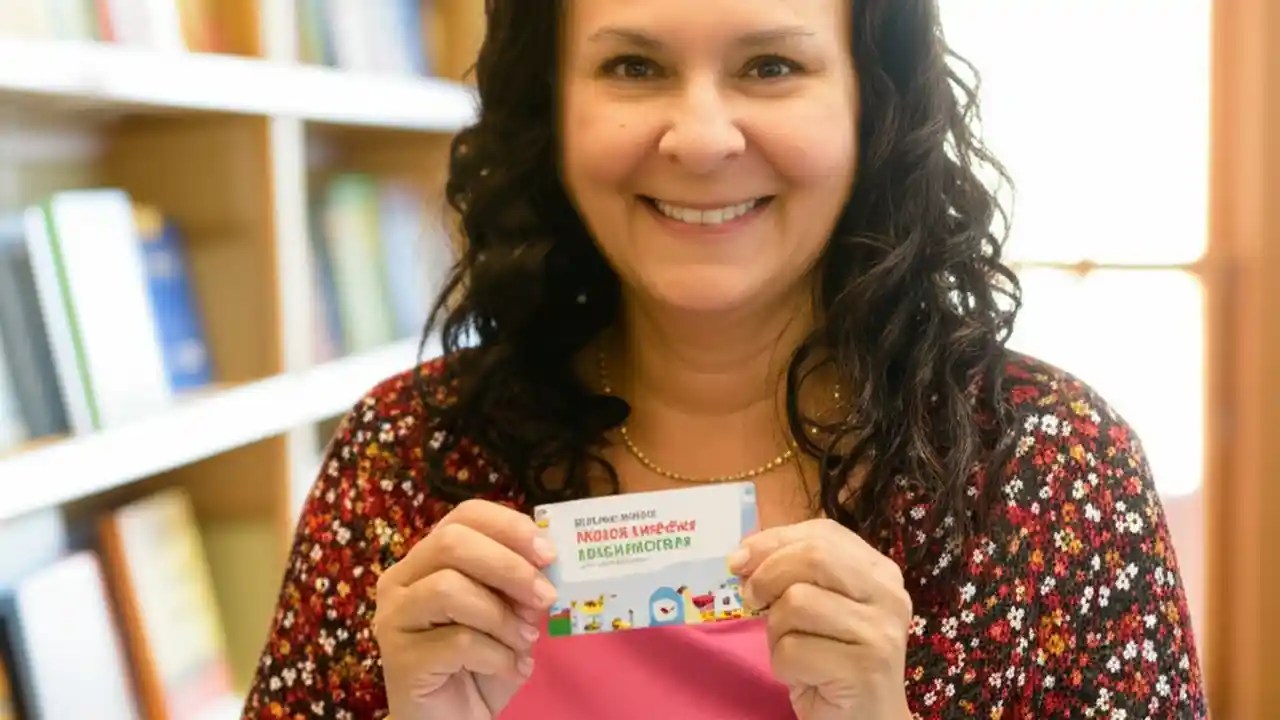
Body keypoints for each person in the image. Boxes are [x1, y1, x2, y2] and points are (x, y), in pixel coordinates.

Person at [242, 0, 1207, 717]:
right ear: (552, 108)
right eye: (632, 66)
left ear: (873, 103)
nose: (701, 140)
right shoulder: (403, 456)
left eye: (771, 66)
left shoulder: (1051, 468)